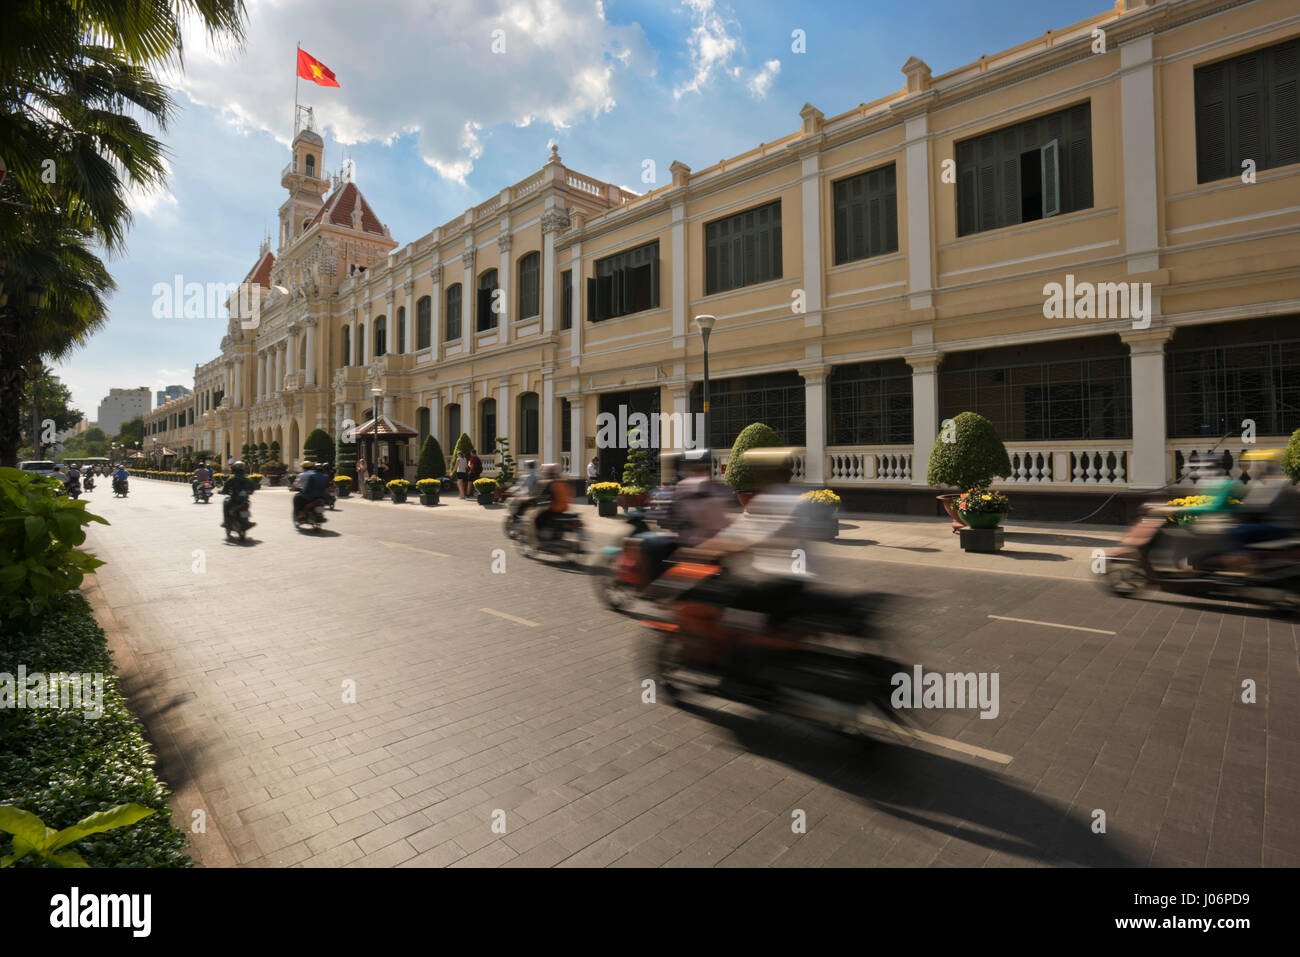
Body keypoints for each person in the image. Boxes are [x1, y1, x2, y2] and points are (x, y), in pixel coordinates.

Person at [528, 463, 572, 546]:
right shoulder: (563, 482)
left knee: (537, 519)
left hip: (554, 508)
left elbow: (543, 497)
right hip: (564, 508)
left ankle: (540, 541)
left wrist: (535, 501)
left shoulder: (549, 483)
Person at [220, 460, 257, 529]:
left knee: (225, 503)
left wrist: (223, 492)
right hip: (244, 501)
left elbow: (225, 489)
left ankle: (226, 522)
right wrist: (249, 492)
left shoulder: (231, 479)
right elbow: (253, 488)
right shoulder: (248, 479)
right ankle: (247, 521)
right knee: (246, 507)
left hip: (234, 500)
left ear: (234, 470)